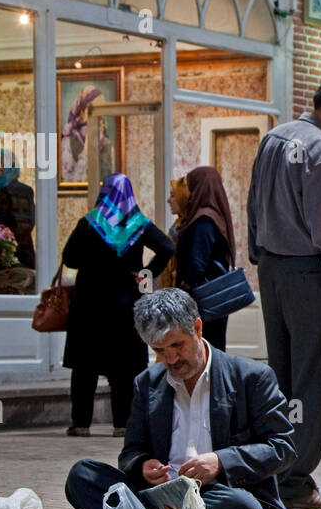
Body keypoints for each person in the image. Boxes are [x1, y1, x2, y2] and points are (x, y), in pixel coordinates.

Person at [65, 289, 297, 509]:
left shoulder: (251, 378)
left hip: (216, 495)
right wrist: (144, 466)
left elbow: (282, 449)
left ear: (197, 329)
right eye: (160, 350)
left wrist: (220, 461)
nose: (171, 358)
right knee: (82, 475)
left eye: (177, 345)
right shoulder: (147, 383)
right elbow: (131, 451)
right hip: (160, 495)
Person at [247, 72, 321, 506]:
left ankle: (275, 472)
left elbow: (253, 206)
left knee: (281, 378)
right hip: (310, 277)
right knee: (316, 382)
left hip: (273, 274)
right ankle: (296, 481)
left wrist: (261, 259)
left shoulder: (274, 139)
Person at [62, 173, 174, 436]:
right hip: (124, 305)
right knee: (123, 367)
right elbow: (167, 246)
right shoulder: (138, 225)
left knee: (84, 366)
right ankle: (122, 424)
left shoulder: (89, 224)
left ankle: (81, 424)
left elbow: (70, 259)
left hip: (88, 304)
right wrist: (146, 272)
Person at [175, 166, 235, 351]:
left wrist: (184, 283)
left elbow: (197, 264)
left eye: (190, 185)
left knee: (204, 351)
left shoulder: (204, 220)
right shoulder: (213, 216)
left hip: (203, 299)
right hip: (212, 297)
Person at [156, 177, 188, 290]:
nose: (168, 200)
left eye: (173, 196)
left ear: (183, 197)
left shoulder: (188, 227)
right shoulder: (178, 223)